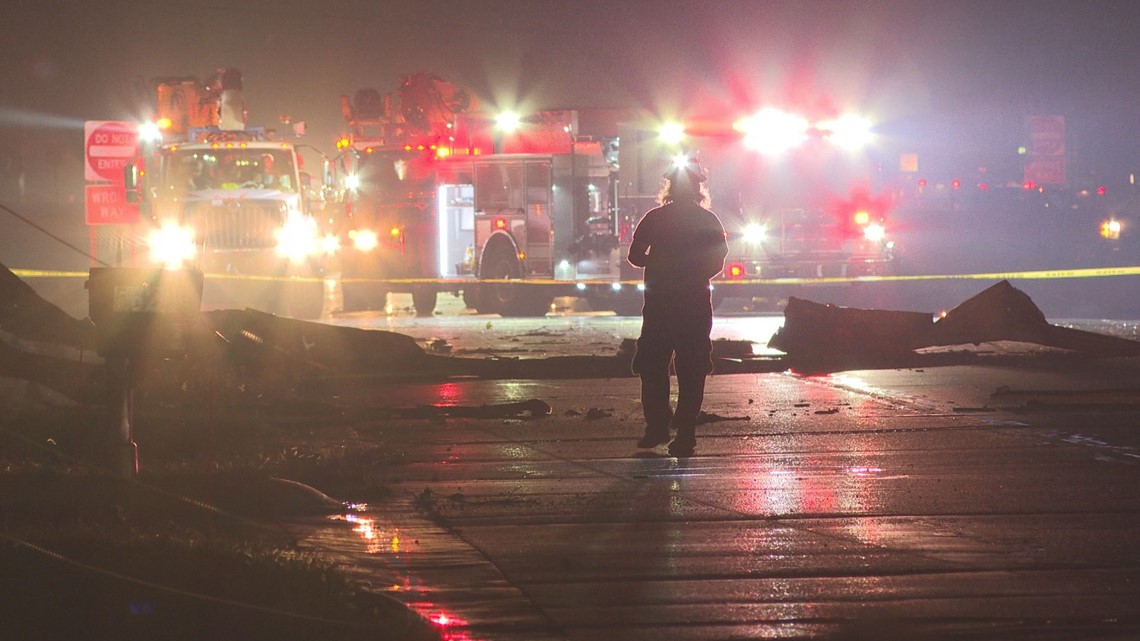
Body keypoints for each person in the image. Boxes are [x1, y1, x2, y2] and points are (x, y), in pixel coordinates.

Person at [627, 155, 728, 457]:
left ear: (669, 185)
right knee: (692, 368)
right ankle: (684, 434)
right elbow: (719, 259)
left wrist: (658, 266)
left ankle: (658, 426)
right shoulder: (708, 220)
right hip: (694, 306)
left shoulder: (655, 218)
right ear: (699, 187)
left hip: (660, 306)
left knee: (653, 365)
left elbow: (634, 255)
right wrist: (693, 274)